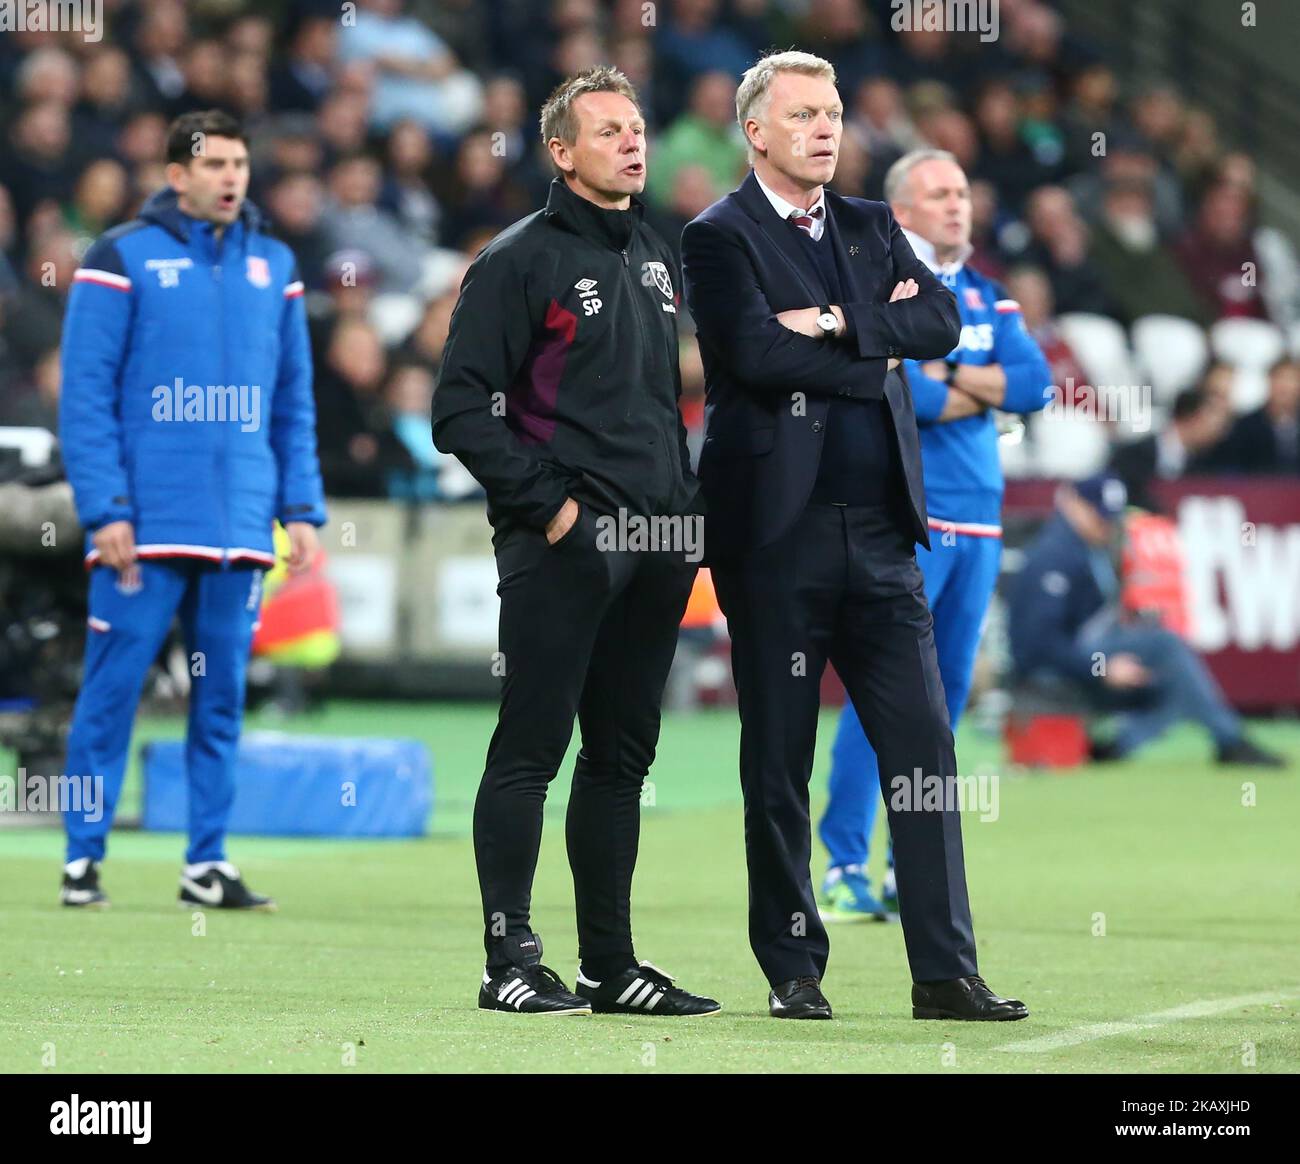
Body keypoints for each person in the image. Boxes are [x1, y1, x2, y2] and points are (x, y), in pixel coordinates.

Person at [681, 51, 1026, 1022]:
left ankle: (944, 974)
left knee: (924, 754)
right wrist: (872, 345)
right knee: (777, 762)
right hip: (773, 539)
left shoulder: (875, 225)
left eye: (832, 113)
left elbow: (944, 323)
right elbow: (750, 354)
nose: (825, 129)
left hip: (880, 537)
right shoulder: (717, 236)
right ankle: (794, 971)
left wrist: (832, 322)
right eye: (801, 116)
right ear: (755, 131)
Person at [431, 68, 718, 1018]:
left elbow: (653, 409)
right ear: (561, 151)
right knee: (530, 749)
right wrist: (551, 507)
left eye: (637, 128)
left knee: (623, 758)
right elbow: (460, 409)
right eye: (608, 132)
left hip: (659, 540)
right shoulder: (517, 259)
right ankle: (505, 960)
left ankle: (610, 965)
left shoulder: (652, 250)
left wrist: (684, 510)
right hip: (567, 541)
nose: (633, 144)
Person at [58, 110, 326, 909]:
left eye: (241, 163)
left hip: (240, 529)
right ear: (176, 174)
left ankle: (205, 863)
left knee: (221, 700)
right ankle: (81, 860)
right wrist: (104, 505)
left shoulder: (274, 265)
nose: (231, 177)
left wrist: (302, 507)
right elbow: (85, 396)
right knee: (112, 693)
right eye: (215, 165)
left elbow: (292, 402)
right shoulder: (120, 257)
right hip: (143, 525)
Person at [818, 150, 1053, 922]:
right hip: (916, 517)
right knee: (883, 695)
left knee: (946, 698)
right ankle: (842, 862)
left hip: (981, 521)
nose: (959, 205)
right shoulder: (888, 283)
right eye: (939, 194)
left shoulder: (987, 294)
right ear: (901, 212)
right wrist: (971, 386)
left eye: (963, 191)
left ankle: (901, 864)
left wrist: (953, 381)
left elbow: (1033, 384)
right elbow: (901, 391)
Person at [1007, 474, 1285, 768]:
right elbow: (1037, 644)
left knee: (1175, 676)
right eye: (1098, 516)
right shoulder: (1053, 556)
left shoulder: (1087, 549)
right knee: (1169, 652)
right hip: (1057, 669)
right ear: (1071, 503)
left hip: (1084, 654)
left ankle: (1117, 745)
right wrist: (1100, 668)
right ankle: (1227, 740)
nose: (1106, 526)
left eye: (1109, 518)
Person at [1108, 386, 1230, 513]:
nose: (1220, 432)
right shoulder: (1133, 455)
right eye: (1215, 423)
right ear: (1192, 417)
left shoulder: (1202, 464)